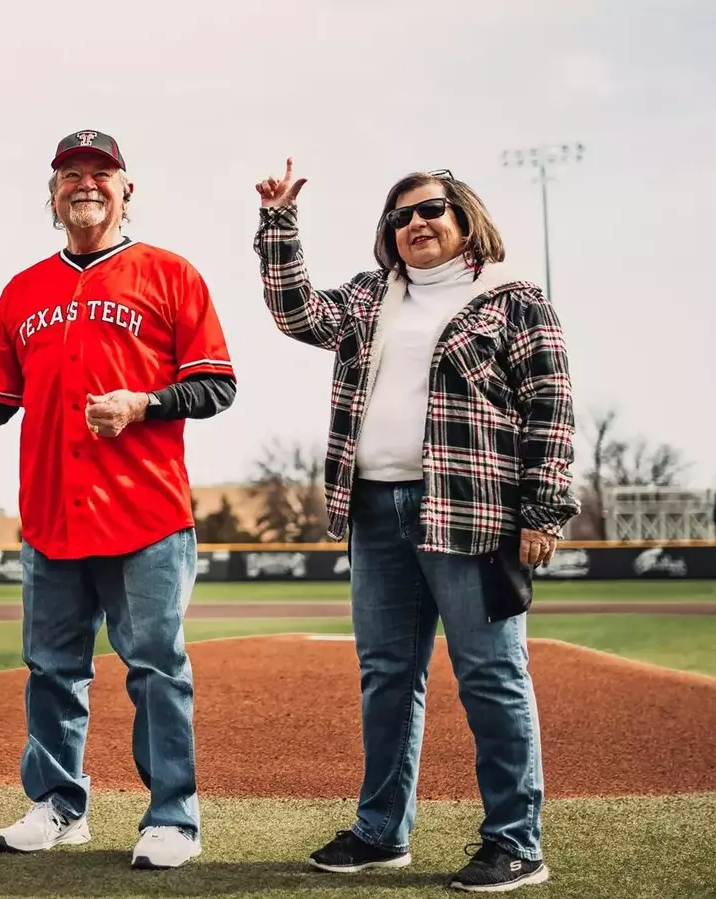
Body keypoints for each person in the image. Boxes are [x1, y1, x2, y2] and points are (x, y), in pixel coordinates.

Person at [0, 129, 237, 870]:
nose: (85, 183)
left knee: (153, 666)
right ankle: (57, 805)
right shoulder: (23, 289)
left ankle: (173, 818)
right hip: (51, 513)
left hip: (145, 513)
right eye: (70, 174)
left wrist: (144, 403)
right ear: (52, 195)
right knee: (53, 667)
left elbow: (218, 384)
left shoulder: (171, 274)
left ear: (127, 188)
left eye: (100, 172)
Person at [252, 159, 578, 892]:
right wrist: (280, 224)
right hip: (374, 507)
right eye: (398, 217)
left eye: (429, 209)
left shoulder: (514, 300)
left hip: (472, 514)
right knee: (387, 677)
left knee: (492, 675)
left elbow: (551, 411)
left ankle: (515, 842)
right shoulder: (372, 295)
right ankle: (380, 832)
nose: (414, 224)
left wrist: (543, 511)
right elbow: (297, 311)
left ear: (464, 216)